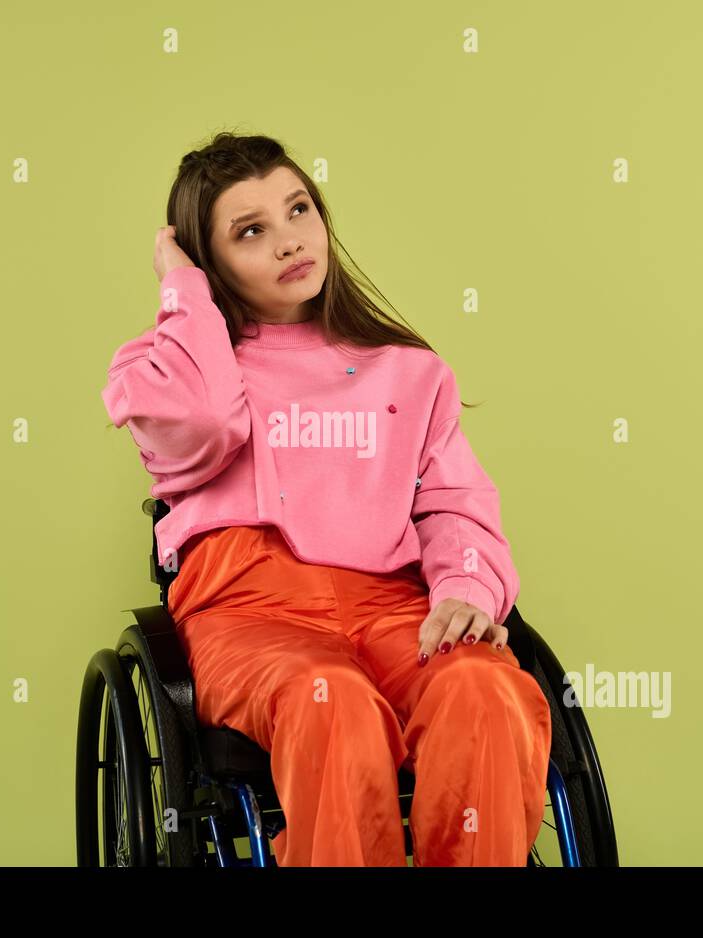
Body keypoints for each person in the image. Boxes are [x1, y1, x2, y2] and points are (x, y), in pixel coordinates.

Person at [100, 132, 551, 866]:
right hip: (247, 608)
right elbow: (208, 423)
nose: (289, 242)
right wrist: (184, 290)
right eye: (251, 231)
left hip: (394, 603)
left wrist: (464, 588)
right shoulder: (165, 366)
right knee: (327, 697)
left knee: (485, 689)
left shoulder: (409, 372)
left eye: (298, 210)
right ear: (211, 261)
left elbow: (454, 502)